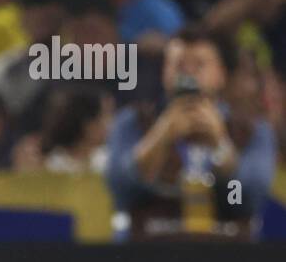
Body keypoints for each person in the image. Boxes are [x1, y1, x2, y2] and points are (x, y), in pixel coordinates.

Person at [106, 26, 277, 240]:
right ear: (164, 72)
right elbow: (121, 192)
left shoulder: (252, 131)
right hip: (146, 256)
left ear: (221, 74)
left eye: (199, 65)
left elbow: (246, 202)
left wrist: (220, 146)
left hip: (228, 258)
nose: (187, 73)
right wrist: (161, 137)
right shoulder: (133, 122)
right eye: (178, 65)